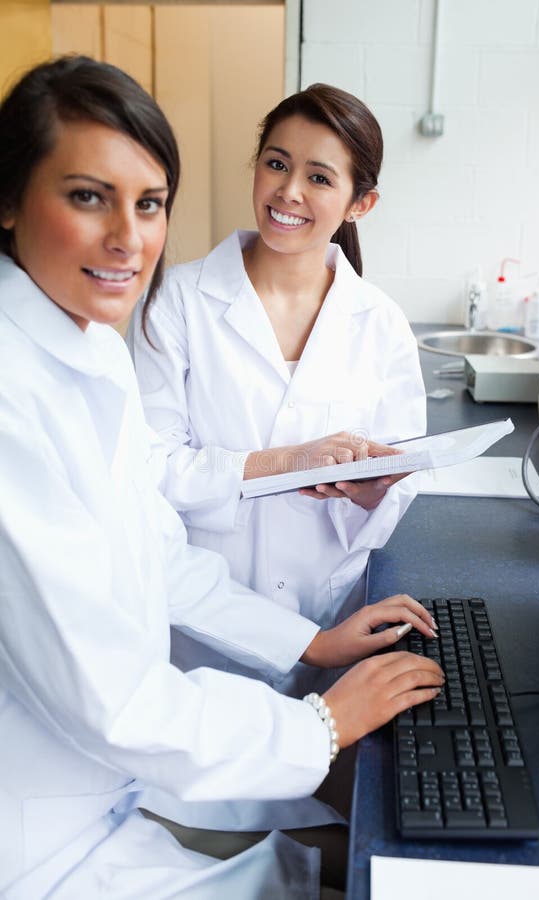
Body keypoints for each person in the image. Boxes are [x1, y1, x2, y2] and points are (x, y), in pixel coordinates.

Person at [0, 56, 444, 899]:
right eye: (87, 196)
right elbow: (111, 700)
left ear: (357, 203)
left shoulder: (86, 347)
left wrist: (308, 644)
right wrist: (318, 721)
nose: (128, 239)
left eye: (149, 203)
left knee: (353, 855)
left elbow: (156, 548)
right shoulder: (20, 390)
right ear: (10, 198)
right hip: (48, 823)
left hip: (120, 776)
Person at [129, 84, 428, 705]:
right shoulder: (175, 304)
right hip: (198, 639)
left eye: (319, 177)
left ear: (360, 203)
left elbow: (404, 469)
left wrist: (376, 491)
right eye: (276, 163)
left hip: (332, 623)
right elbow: (146, 470)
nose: (288, 191)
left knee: (325, 783)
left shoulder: (380, 323)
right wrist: (284, 462)